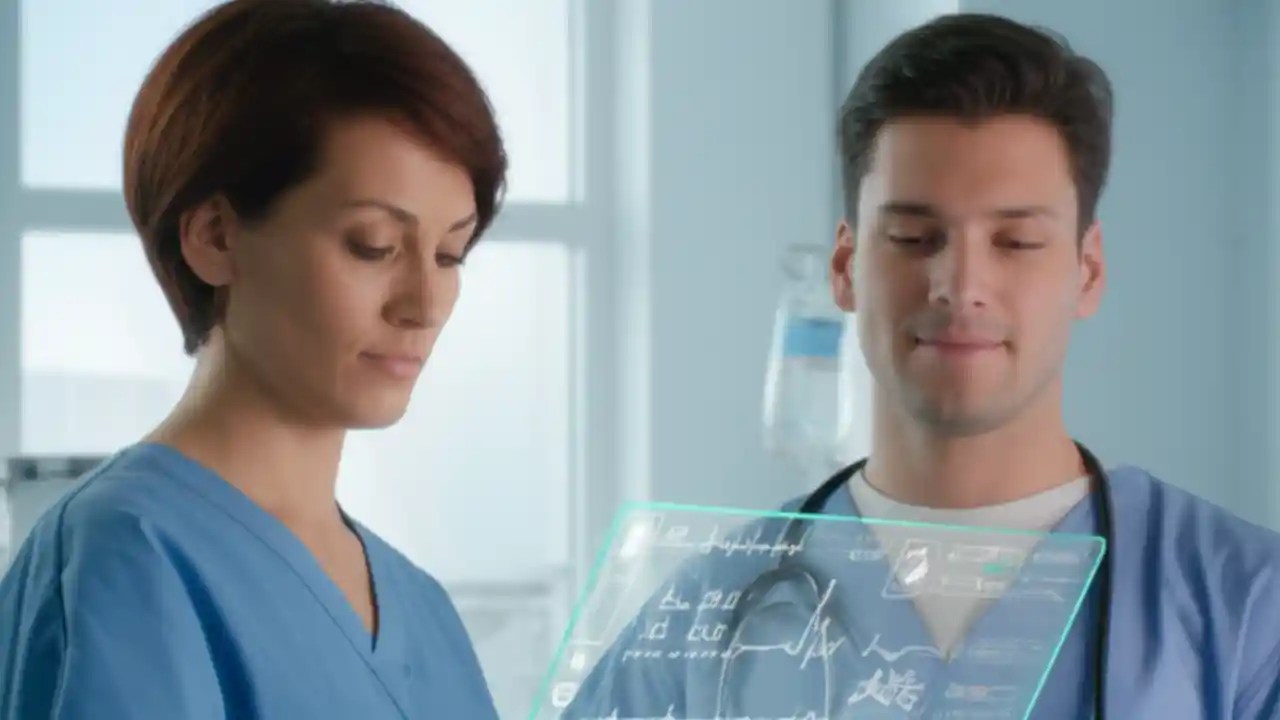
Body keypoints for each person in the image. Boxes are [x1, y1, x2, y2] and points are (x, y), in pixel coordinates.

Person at [560, 13, 1280, 720]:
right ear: (845, 267)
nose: (959, 283)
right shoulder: (704, 616)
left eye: (1017, 242)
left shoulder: (1245, 607)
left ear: (1088, 271)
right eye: (913, 236)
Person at [0, 1, 507, 718]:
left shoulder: (420, 607)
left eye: (450, 253)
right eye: (373, 246)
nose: (423, 304)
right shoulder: (130, 556)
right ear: (214, 236)